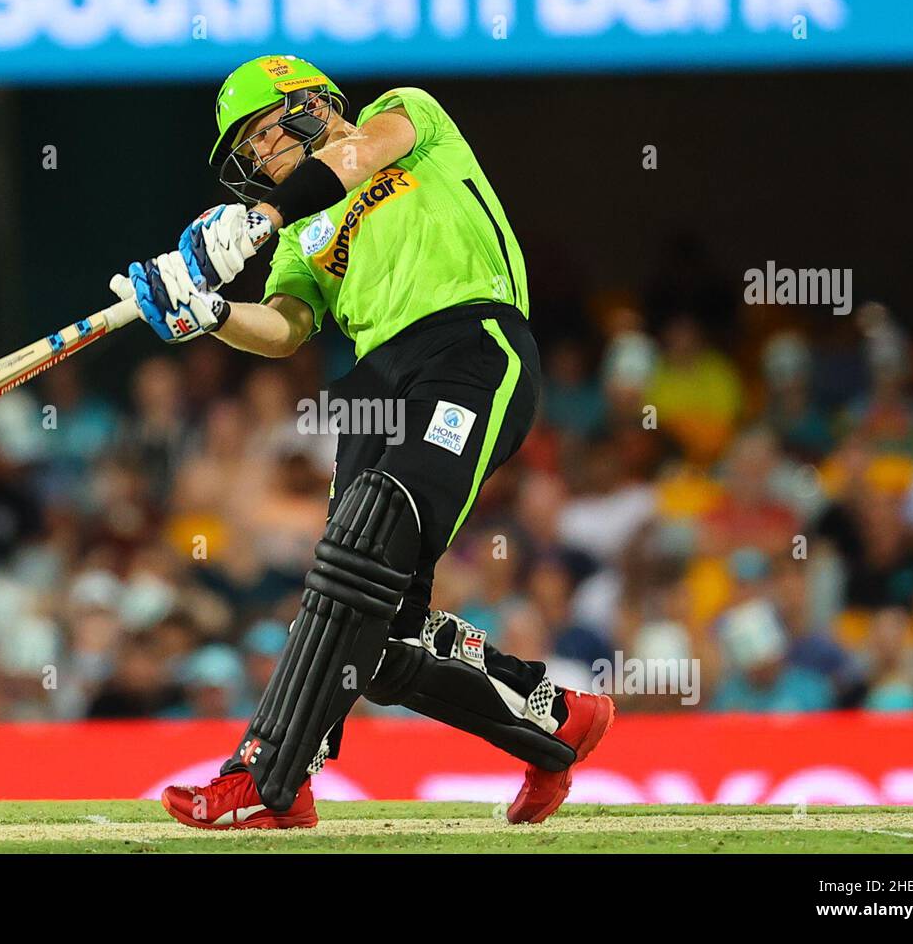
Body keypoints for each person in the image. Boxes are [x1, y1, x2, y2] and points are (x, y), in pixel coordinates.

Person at [112, 54, 614, 829]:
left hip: (470, 344)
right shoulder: (302, 229)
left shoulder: (406, 116)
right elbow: (285, 328)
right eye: (244, 158)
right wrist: (208, 313)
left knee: (377, 517)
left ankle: (267, 777)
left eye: (258, 137)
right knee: (378, 641)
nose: (256, 164)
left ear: (308, 104)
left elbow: (355, 156)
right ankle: (557, 723)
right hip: (373, 386)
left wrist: (263, 216)